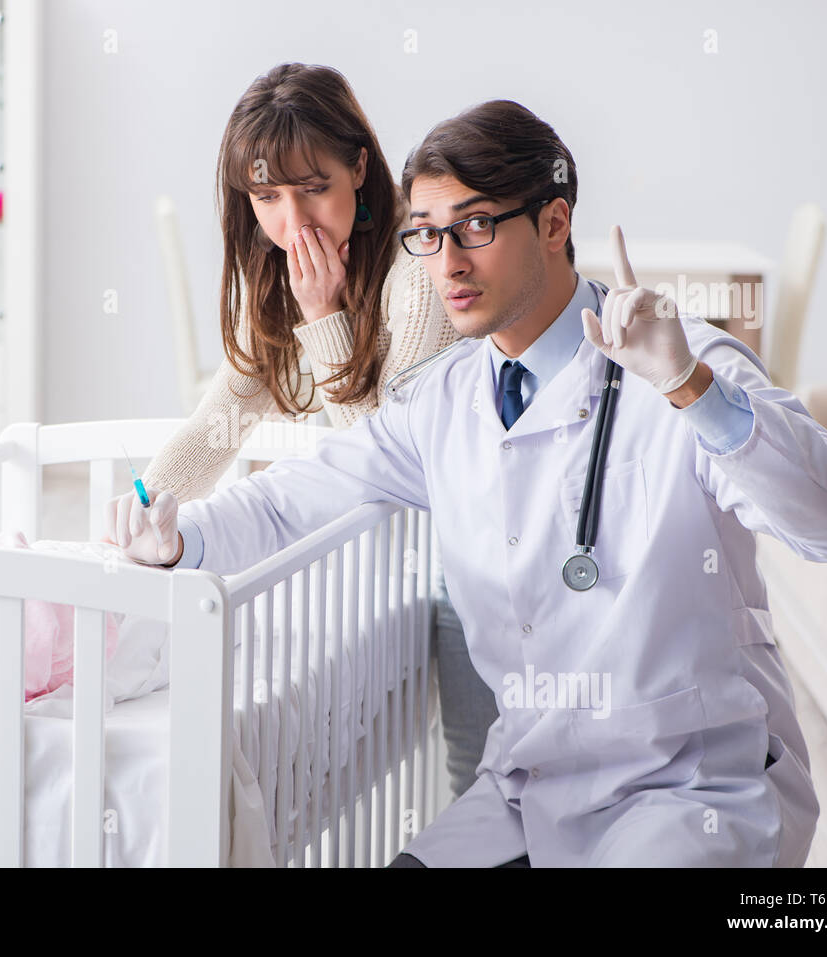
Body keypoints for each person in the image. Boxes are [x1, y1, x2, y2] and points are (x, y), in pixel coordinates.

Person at [108, 99, 827, 867]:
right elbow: (294, 497)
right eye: (427, 232)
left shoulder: (684, 364)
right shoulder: (442, 398)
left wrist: (689, 387)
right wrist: (183, 538)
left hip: (691, 784)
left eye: (475, 226)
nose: (447, 262)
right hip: (529, 787)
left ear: (553, 223)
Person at [111, 62, 495, 802]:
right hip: (389, 550)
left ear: (359, 169)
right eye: (267, 198)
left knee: (476, 768)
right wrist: (141, 516)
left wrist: (324, 317)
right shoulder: (280, 273)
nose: (294, 223)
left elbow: (387, 459)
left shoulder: (418, 274)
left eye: (314, 188)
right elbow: (216, 427)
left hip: (463, 540)